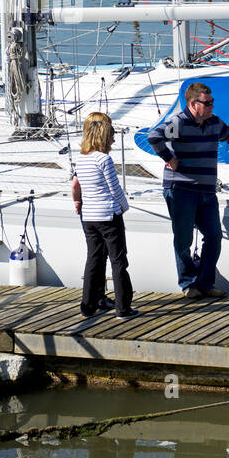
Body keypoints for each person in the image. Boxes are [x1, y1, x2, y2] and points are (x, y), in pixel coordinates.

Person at [147, 82, 229, 299]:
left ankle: (206, 283)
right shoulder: (178, 123)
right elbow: (154, 136)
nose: (211, 106)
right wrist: (169, 158)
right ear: (193, 103)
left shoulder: (214, 122)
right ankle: (189, 284)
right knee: (183, 239)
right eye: (207, 103)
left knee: (214, 236)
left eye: (212, 102)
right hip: (181, 188)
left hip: (207, 190)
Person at [71, 112, 136, 319]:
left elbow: (78, 185)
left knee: (94, 259)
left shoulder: (81, 159)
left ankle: (87, 306)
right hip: (108, 216)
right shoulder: (104, 159)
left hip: (89, 217)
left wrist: (78, 203)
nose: (113, 140)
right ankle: (123, 308)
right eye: (111, 136)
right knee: (118, 261)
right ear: (103, 138)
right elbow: (115, 189)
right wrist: (124, 208)